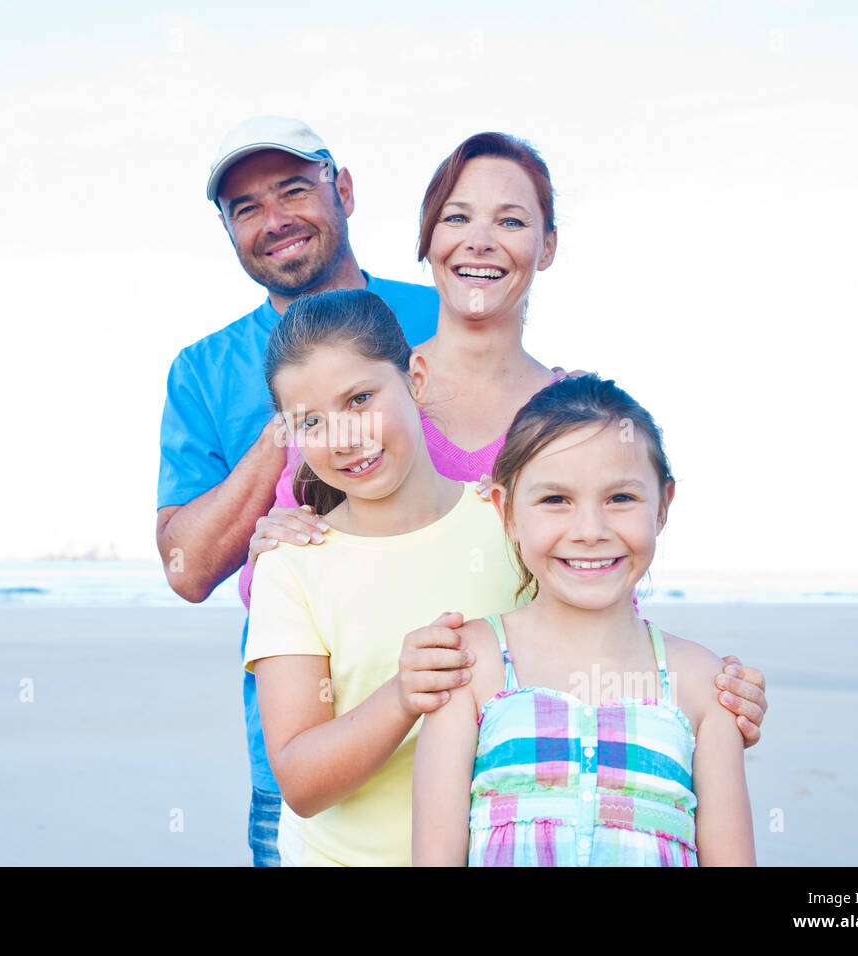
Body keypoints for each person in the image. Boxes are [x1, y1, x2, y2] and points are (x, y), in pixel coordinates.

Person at [237, 132, 769, 856]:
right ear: (425, 241)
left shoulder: (571, 420)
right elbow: (299, 704)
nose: (481, 240)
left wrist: (704, 700)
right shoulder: (328, 474)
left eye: (511, 220)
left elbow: (602, 625)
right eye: (457, 218)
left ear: (547, 245)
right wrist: (271, 542)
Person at [155, 116, 440, 866]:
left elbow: (537, 488)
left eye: (293, 189)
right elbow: (186, 572)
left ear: (342, 189)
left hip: (475, 739)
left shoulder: (440, 319)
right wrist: (293, 425)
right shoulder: (202, 369)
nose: (274, 220)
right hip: (303, 762)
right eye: (245, 208)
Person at [411, 375, 756, 866]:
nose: (590, 531)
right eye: (556, 500)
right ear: (505, 511)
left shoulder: (704, 684)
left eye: (620, 499)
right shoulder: (469, 666)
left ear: (663, 506)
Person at [244, 287, 523, 865]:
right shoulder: (291, 567)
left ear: (415, 379)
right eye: (311, 421)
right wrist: (401, 696)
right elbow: (299, 782)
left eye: (360, 398)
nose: (344, 436)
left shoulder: (511, 527)